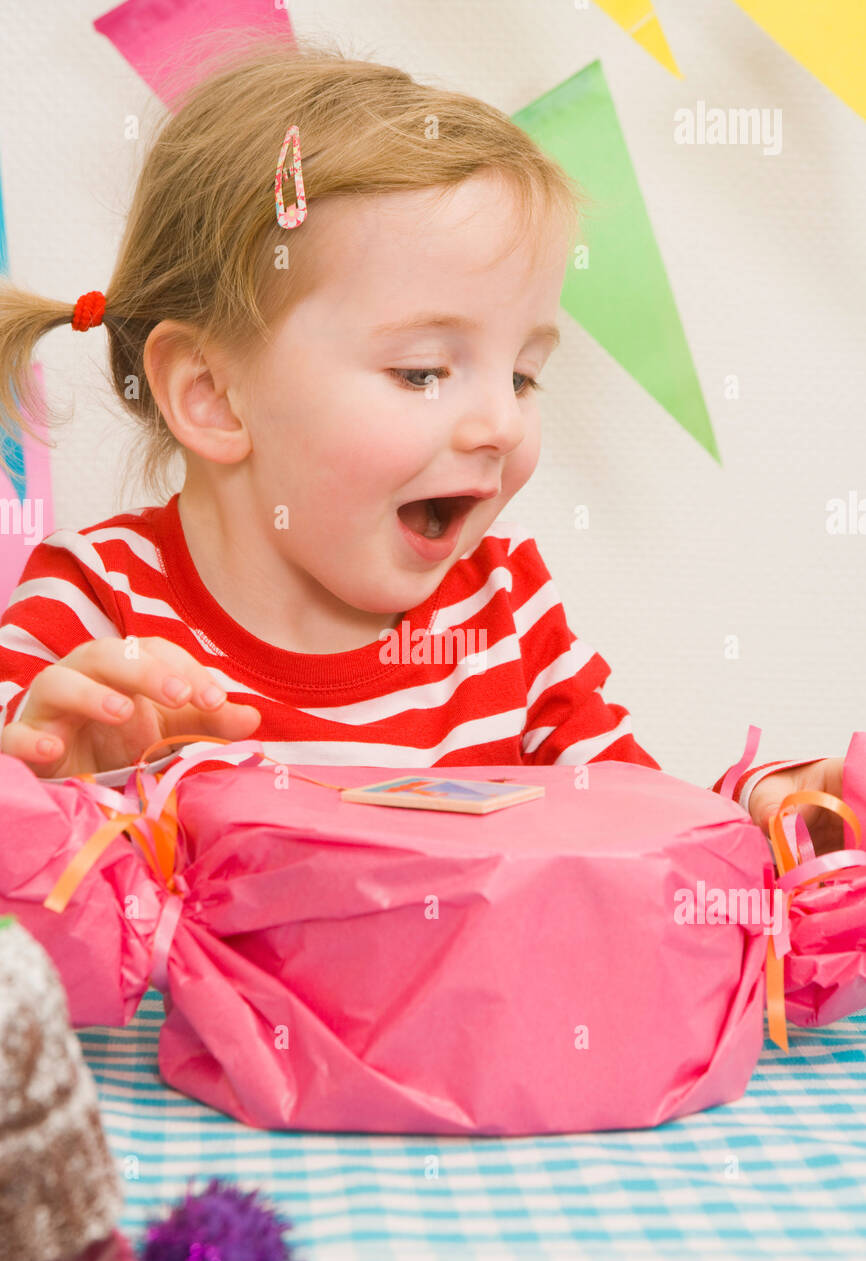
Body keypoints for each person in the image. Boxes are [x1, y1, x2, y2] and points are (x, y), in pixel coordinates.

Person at [0, 38, 844, 852]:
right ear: (213, 395)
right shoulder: (94, 612)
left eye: (521, 377)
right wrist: (48, 803)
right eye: (422, 372)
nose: (501, 425)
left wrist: (773, 819)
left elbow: (641, 842)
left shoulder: (506, 619)